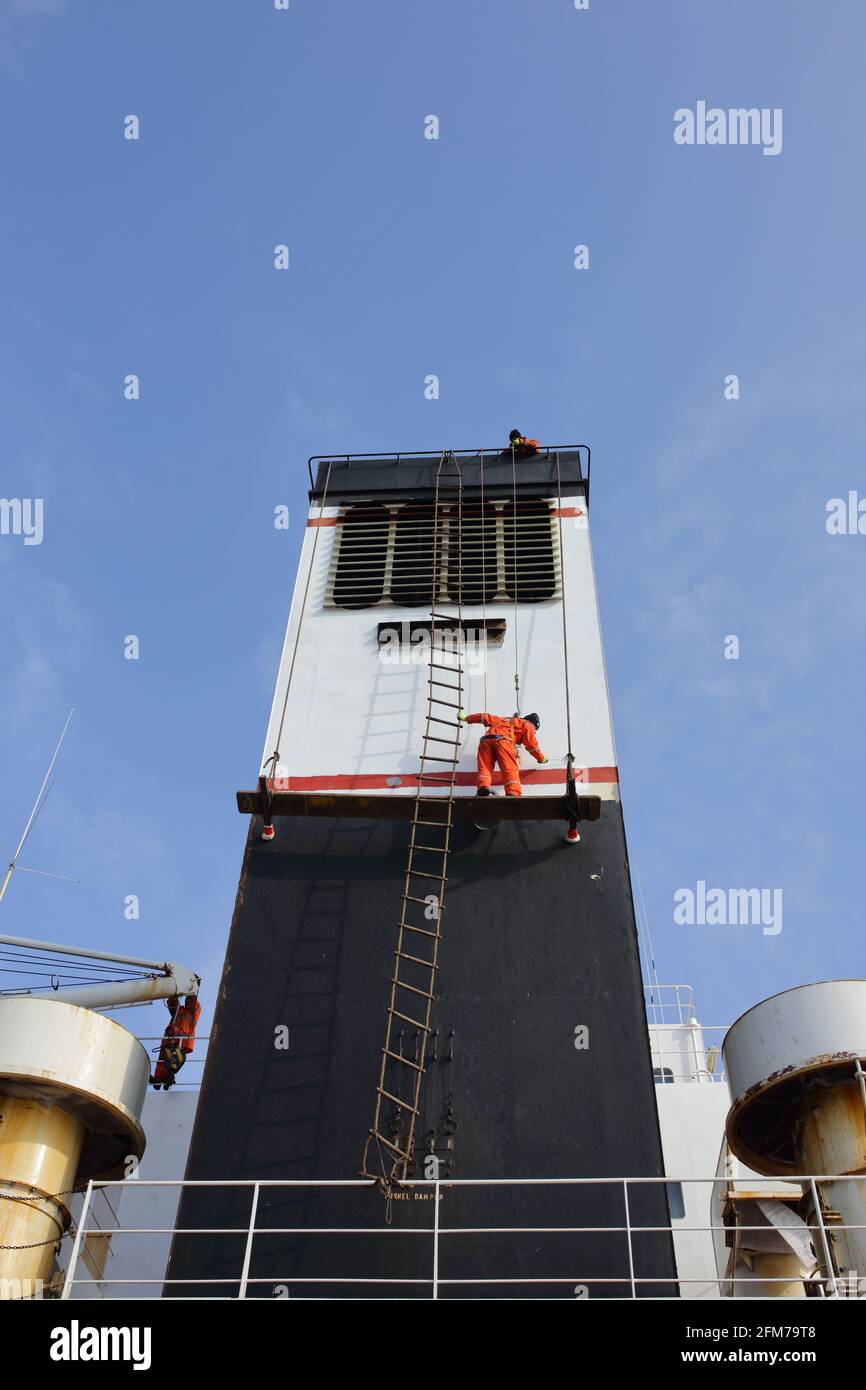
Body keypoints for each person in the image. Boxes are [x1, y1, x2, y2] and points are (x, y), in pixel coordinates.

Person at [458, 709, 547, 797]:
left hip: (485, 741)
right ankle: (513, 792)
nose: (534, 731)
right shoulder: (528, 724)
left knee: (485, 767)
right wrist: (541, 758)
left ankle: (483, 787)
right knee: (510, 769)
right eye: (535, 730)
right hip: (503, 742)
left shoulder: (503, 719)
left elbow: (485, 717)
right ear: (534, 724)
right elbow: (531, 744)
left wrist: (466, 718)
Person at [151, 995, 202, 1090]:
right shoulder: (179, 1010)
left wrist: (191, 993)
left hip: (181, 1041)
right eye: (186, 999)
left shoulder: (193, 1012)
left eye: (188, 999)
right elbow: (172, 1003)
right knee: (162, 1060)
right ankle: (158, 1080)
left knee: (173, 1060)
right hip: (169, 1039)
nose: (186, 1001)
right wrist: (173, 994)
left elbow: (195, 1004)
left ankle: (168, 1079)